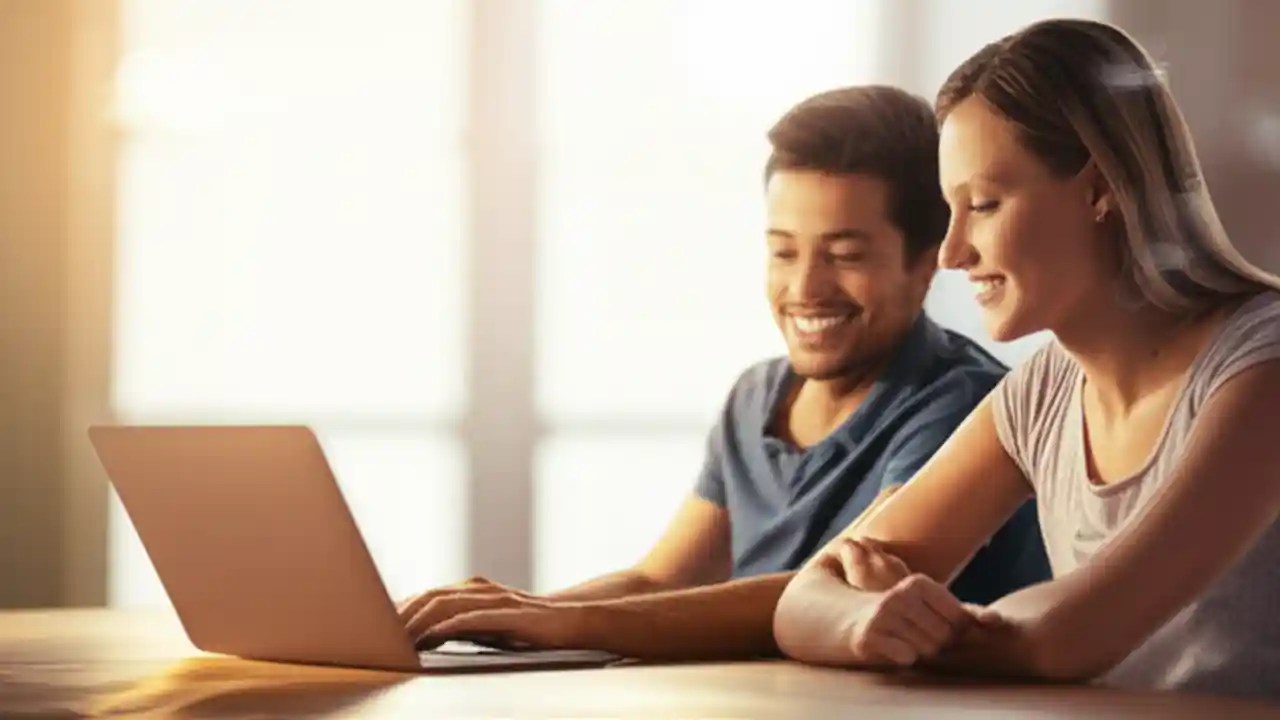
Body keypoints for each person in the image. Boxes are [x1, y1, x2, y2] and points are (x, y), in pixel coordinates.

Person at [396, 86, 1048, 660]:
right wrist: (517, 615)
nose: (805, 287)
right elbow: (660, 582)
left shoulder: (963, 402)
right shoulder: (757, 397)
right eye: (783, 251)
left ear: (926, 262)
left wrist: (561, 621)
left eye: (845, 255)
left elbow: (826, 596)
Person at [772, 19, 1280, 701]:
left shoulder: (1261, 364)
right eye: (950, 211)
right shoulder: (1042, 392)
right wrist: (866, 622)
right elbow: (803, 598)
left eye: (982, 205)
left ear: (1099, 189)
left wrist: (916, 627)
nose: (952, 252)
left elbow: (1076, 633)